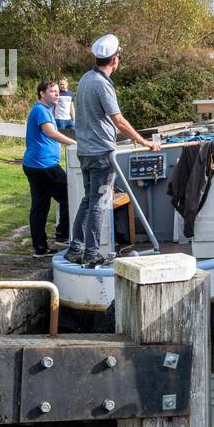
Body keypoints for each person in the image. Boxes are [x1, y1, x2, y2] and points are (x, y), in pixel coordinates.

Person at [63, 34, 162, 268]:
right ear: (115, 59)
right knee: (98, 202)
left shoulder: (86, 78)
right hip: (101, 155)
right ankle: (92, 253)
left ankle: (76, 248)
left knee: (87, 201)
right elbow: (119, 121)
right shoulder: (102, 85)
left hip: (86, 151)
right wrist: (145, 142)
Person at [23, 80, 77, 256]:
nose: (57, 94)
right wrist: (77, 143)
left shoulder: (45, 110)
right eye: (52, 91)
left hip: (34, 165)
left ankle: (40, 247)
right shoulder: (40, 111)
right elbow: (51, 133)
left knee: (40, 206)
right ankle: (63, 235)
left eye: (57, 92)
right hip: (44, 165)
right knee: (72, 195)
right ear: (41, 93)